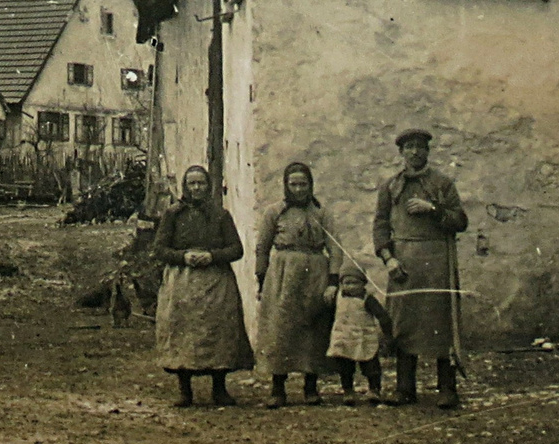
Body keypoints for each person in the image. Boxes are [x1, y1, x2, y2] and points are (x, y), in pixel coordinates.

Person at [372, 128, 469, 409]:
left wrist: (433, 210)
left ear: (427, 151)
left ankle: (447, 389)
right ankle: (405, 389)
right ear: (401, 153)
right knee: (404, 323)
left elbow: (460, 221)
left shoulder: (442, 183)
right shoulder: (390, 186)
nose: (415, 152)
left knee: (441, 323)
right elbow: (379, 226)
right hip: (403, 262)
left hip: (437, 260)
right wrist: (388, 259)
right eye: (409, 147)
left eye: (420, 147)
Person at [153, 165, 255, 407]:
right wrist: (183, 257)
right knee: (182, 333)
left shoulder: (221, 215)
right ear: (185, 187)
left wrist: (212, 256)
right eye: (191, 184)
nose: (196, 188)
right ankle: (184, 390)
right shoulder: (173, 215)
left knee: (218, 333)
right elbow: (159, 249)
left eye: (201, 183)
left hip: (216, 282)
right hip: (182, 282)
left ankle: (219, 388)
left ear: (208, 187)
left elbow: (236, 249)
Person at [254, 161, 341, 408]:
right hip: (283, 274)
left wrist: (333, 282)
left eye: (303, 184)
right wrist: (262, 279)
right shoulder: (275, 212)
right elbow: (263, 247)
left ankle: (310, 387)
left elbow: (335, 250)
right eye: (293, 184)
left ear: (310, 185)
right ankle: (278, 388)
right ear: (286, 185)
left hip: (315, 273)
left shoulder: (321, 213)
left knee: (313, 329)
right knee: (280, 329)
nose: (299, 189)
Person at [326, 270, 391, 406]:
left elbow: (382, 316)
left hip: (364, 337)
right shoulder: (338, 297)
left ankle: (374, 389)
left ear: (363, 284)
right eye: (346, 283)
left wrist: (388, 334)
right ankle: (348, 391)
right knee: (345, 367)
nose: (350, 286)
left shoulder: (368, 299)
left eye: (355, 283)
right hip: (344, 338)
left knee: (371, 366)